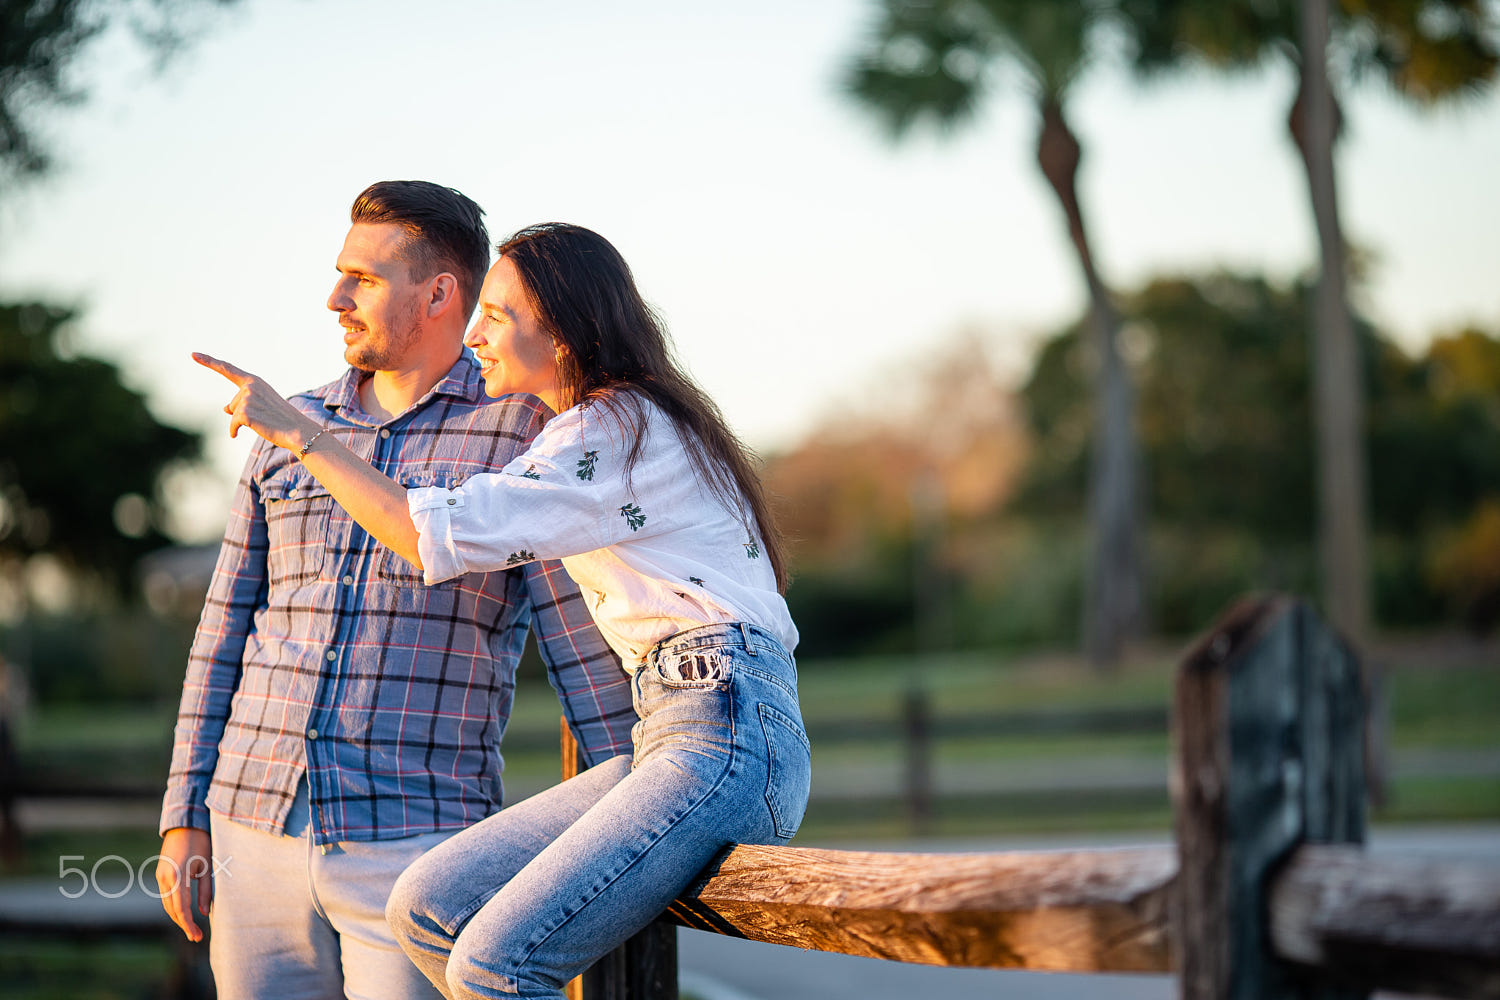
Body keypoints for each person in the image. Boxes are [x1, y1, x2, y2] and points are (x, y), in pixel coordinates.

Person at [195, 222, 812, 1000]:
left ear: (559, 334)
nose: (474, 333)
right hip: (677, 730)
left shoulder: (611, 429)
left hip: (723, 733)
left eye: (497, 314)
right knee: (427, 908)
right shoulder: (608, 430)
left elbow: (428, 534)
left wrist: (300, 435)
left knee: (493, 966)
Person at [159, 188, 636, 1000]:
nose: (335, 298)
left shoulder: (521, 435)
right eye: (340, 276)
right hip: (251, 823)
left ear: (440, 293)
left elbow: (576, 640)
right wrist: (184, 814)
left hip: (420, 844)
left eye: (363, 280)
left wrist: (638, 808)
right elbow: (223, 631)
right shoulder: (290, 425)